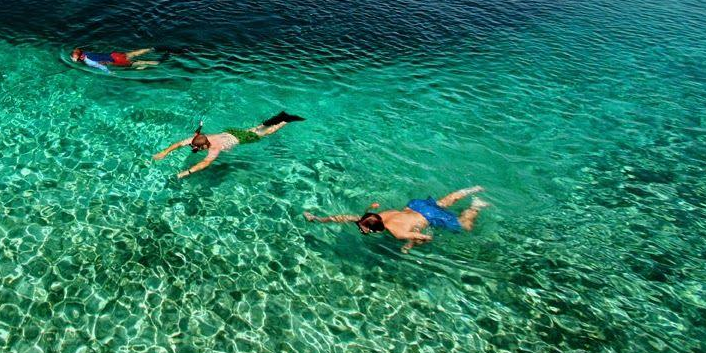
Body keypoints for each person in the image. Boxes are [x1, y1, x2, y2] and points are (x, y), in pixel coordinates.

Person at [304, 186, 489, 252]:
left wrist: (410, 245)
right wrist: (319, 219)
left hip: (428, 216)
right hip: (416, 205)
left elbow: (426, 237)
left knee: (465, 226)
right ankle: (470, 190)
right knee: (442, 202)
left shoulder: (397, 232)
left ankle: (475, 206)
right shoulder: (379, 216)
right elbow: (345, 218)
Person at [153, 112, 304, 178]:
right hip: (233, 132)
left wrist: (187, 172)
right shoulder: (200, 138)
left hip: (243, 138)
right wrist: (164, 152)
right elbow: (179, 143)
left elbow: (205, 163)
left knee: (267, 132)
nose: (194, 148)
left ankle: (285, 120)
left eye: (198, 148)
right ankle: (278, 118)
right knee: (259, 128)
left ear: (205, 146)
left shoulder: (215, 148)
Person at [71, 47, 158, 73]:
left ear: (79, 58)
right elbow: (78, 50)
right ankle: (150, 49)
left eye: (74, 58)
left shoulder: (88, 62)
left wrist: (109, 72)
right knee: (133, 54)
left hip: (116, 61)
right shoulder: (86, 52)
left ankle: (157, 63)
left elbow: (100, 66)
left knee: (136, 64)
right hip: (114, 54)